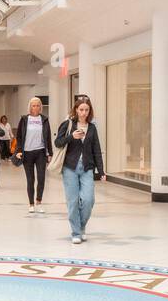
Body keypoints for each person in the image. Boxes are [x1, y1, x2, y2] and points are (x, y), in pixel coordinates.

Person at [53, 98, 104, 244]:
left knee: (88, 200)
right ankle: (76, 232)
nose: (83, 113)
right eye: (81, 109)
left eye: (86, 110)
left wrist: (101, 171)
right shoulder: (68, 124)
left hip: (87, 167)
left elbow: (97, 150)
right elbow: (57, 142)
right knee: (73, 201)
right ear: (76, 110)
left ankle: (81, 226)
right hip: (70, 167)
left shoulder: (92, 128)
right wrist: (71, 136)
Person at [14, 97, 52, 214]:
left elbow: (48, 137)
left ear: (41, 107)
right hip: (27, 153)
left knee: (41, 179)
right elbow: (19, 136)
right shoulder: (25, 119)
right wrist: (19, 150)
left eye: (38, 105)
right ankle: (31, 204)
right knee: (30, 179)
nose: (36, 107)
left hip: (40, 152)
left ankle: (39, 202)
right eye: (33, 105)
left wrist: (49, 153)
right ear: (30, 107)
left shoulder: (44, 119)